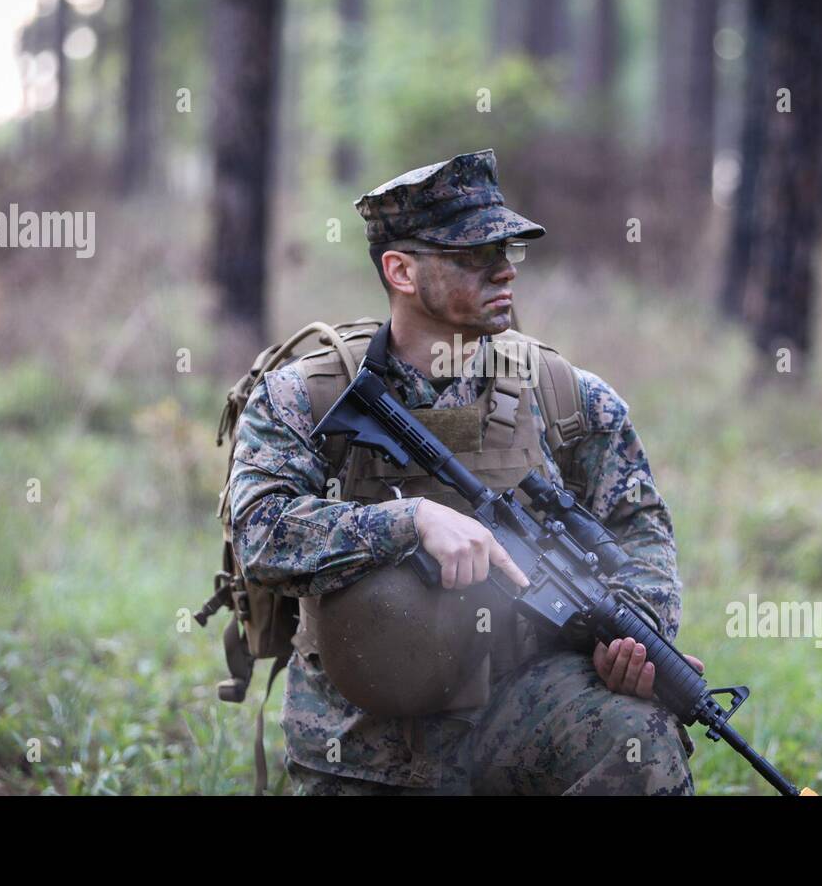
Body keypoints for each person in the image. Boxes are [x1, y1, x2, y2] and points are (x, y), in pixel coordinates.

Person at [228, 148, 702, 795]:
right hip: (358, 736)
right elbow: (259, 533)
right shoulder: (302, 398)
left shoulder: (566, 396)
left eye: (508, 251)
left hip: (520, 706)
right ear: (399, 269)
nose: (505, 270)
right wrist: (409, 519)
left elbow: (638, 528)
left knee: (638, 744)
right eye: (473, 256)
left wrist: (637, 631)